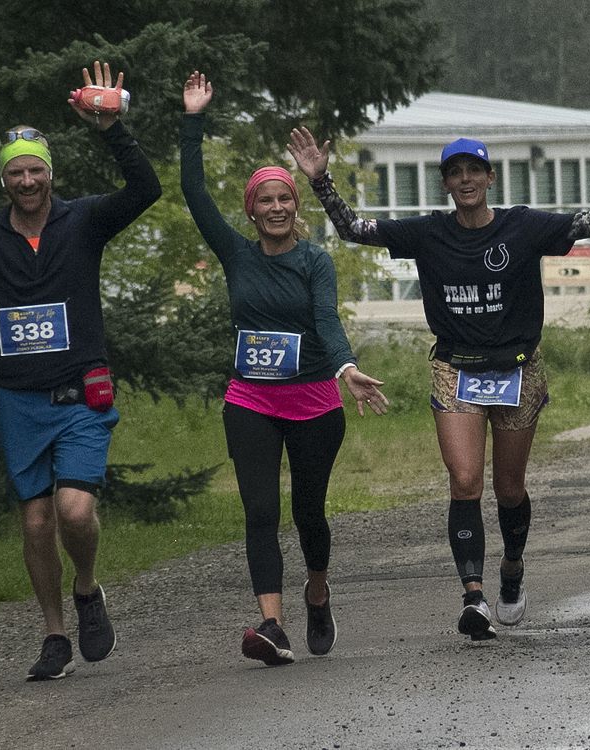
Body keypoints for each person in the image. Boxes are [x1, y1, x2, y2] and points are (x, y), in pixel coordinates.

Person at [289, 124, 590, 640]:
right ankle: (473, 596)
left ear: (490, 177)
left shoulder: (522, 227)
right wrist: (321, 181)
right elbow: (355, 230)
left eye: (474, 170)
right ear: (447, 184)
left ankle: (513, 567)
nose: (466, 179)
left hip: (518, 368)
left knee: (509, 488)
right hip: (455, 368)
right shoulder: (430, 232)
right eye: (455, 173)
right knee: (464, 481)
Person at [180, 72, 388, 665]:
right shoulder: (235, 254)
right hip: (250, 400)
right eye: (265, 200)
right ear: (252, 210)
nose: (276, 207)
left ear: (296, 207)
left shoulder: (314, 262)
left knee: (308, 512)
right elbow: (194, 193)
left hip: (313, 404)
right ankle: (272, 625)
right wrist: (192, 120)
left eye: (284, 198)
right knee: (261, 512)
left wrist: (346, 366)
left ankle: (316, 591)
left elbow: (326, 320)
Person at [0, 61, 161, 680]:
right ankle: (54, 635)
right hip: (17, 398)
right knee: (33, 519)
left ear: (51, 173)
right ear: (3, 180)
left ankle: (87, 588)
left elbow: (145, 190)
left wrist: (111, 128)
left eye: (36, 169)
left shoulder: (84, 220)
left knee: (74, 511)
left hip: (81, 392)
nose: (27, 180)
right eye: (16, 172)